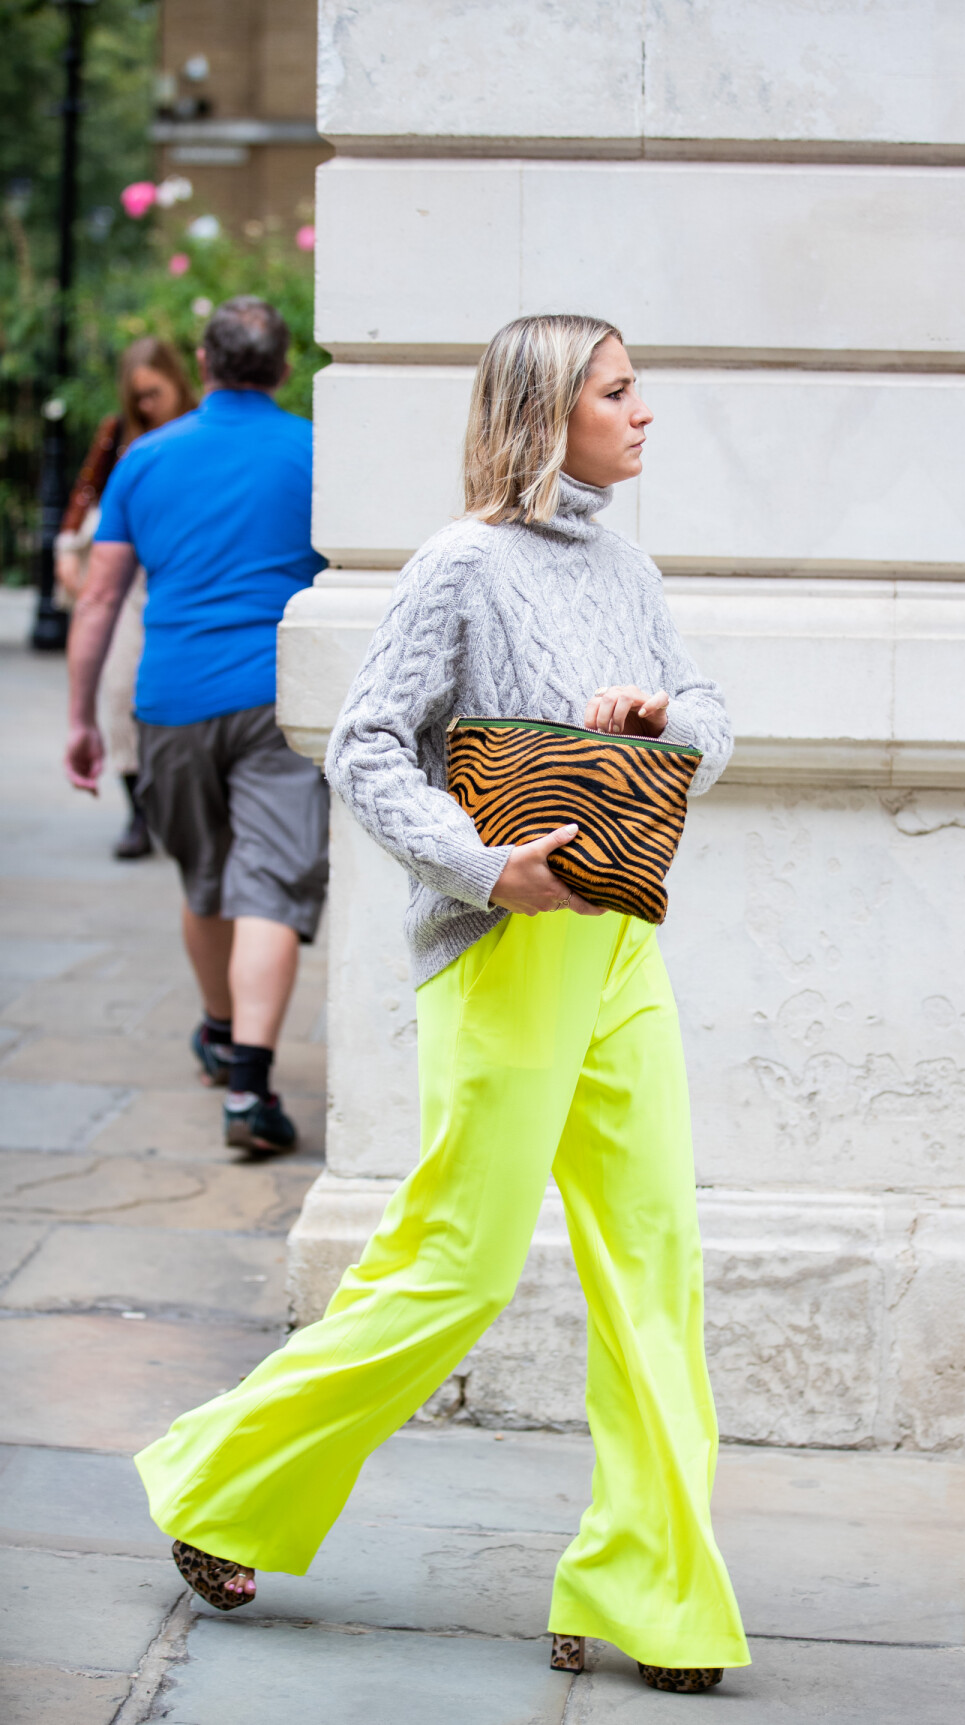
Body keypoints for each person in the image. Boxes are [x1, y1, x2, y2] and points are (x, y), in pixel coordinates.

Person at [129, 314, 750, 1693]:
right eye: (618, 391)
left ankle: (644, 1588)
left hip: (621, 952)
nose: (645, 412)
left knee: (655, 1265)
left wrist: (663, 721)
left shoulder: (628, 562)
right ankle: (218, 1480)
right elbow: (361, 747)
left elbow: (714, 709)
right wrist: (484, 866)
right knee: (456, 1268)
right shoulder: (461, 566)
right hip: (505, 954)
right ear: (547, 411)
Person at [64, 296, 327, 1154]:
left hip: (171, 700)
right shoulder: (316, 451)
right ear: (285, 370)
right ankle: (250, 1089)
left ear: (204, 367)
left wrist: (81, 720)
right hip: (276, 698)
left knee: (207, 879)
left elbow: (100, 597)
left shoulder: (147, 457)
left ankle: (219, 1029)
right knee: (272, 887)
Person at [56, 337, 196, 858]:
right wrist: (67, 548)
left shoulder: (196, 429)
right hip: (128, 578)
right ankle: (139, 812)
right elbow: (86, 492)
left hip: (180, 575)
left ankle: (172, 804)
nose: (145, 406)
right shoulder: (120, 436)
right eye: (136, 396)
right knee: (120, 689)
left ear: (177, 380)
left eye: (153, 392)